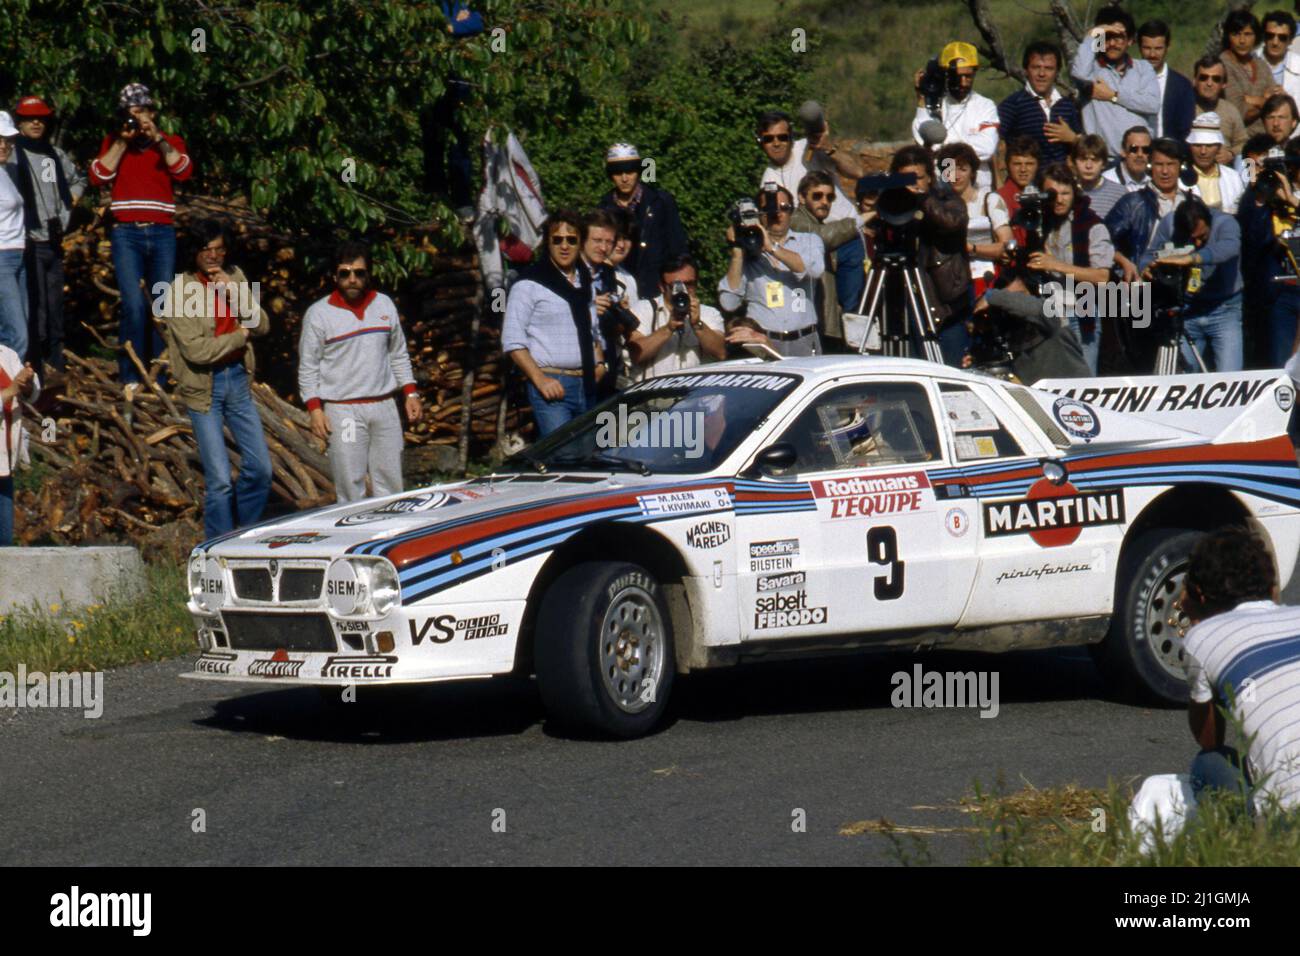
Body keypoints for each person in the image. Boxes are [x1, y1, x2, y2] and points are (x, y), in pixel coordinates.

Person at [159, 219, 272, 539]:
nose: (213, 256)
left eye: (219, 249)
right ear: (193, 252)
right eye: (206, 250)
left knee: (261, 468)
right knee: (220, 479)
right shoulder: (179, 290)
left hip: (237, 379)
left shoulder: (234, 276)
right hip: (203, 387)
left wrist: (234, 293)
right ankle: (219, 545)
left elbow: (262, 325)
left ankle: (247, 535)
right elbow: (197, 351)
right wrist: (239, 337)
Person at [1180, 527, 1300, 815]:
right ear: (1272, 588)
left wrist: (1196, 621)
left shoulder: (1202, 637)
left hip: (1286, 815)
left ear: (1198, 595)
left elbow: (1210, 739)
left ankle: (1236, 838)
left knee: (1208, 762)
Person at [298, 241, 422, 502]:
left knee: (391, 481)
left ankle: (392, 535)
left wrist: (410, 393)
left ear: (368, 274)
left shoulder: (384, 305)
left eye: (359, 273)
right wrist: (315, 408)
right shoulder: (319, 315)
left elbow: (398, 353)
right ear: (335, 276)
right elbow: (308, 366)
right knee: (350, 483)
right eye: (345, 273)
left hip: (384, 408)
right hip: (345, 412)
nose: (352, 279)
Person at [88, 83, 193, 388]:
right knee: (133, 304)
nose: (137, 119)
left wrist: (158, 138)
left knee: (161, 303)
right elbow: (98, 176)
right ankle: (131, 377)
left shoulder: (170, 141)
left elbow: (183, 170)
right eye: (131, 114)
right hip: (126, 234)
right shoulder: (115, 142)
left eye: (142, 112)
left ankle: (160, 375)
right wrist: (122, 141)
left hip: (161, 232)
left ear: (152, 112)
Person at [502, 210, 605, 436]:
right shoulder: (529, 283)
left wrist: (600, 364)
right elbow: (512, 341)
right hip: (553, 386)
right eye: (557, 239)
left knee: (589, 458)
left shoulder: (585, 283)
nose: (564, 246)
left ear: (580, 243)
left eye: (571, 240)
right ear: (548, 243)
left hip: (587, 384)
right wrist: (540, 380)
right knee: (563, 458)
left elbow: (593, 331)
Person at [758, 110, 866, 312]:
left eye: (782, 137)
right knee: (820, 312)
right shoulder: (768, 179)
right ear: (760, 142)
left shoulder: (808, 148)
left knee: (853, 311)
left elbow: (857, 172)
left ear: (791, 137)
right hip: (811, 245)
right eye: (769, 139)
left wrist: (829, 148)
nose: (776, 143)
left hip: (847, 238)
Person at [8, 96, 84, 379]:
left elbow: (78, 180)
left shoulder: (54, 155)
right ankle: (34, 368)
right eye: (30, 118)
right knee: (34, 308)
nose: (36, 123)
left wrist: (67, 209)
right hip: (25, 242)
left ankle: (56, 362)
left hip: (52, 240)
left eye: (41, 118)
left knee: (54, 304)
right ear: (20, 123)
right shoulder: (12, 155)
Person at [874, 145, 971, 365]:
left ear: (929, 178)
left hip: (944, 310)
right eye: (904, 180)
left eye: (917, 178)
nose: (911, 185)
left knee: (951, 380)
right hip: (905, 308)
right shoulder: (894, 206)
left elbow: (952, 222)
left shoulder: (948, 199)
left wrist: (922, 199)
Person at [718, 184, 826, 357]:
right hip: (763, 340)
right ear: (758, 213)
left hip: (804, 340)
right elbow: (728, 303)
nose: (777, 214)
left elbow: (815, 270)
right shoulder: (748, 250)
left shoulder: (809, 240)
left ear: (792, 211)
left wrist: (771, 247)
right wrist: (737, 251)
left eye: (784, 208)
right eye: (768, 209)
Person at [1140, 196, 1244, 372]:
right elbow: (1149, 255)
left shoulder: (1225, 223)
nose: (1196, 243)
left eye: (1202, 237)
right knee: (1181, 379)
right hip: (1186, 311)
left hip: (1224, 308)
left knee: (1230, 376)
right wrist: (1146, 268)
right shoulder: (1169, 224)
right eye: (1190, 238)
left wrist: (1191, 258)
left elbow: (1230, 247)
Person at [1027, 162, 1114, 373]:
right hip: (1050, 309)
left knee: (1083, 378)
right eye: (1052, 193)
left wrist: (1055, 264)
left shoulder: (1091, 224)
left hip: (1081, 309)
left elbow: (1102, 276)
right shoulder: (1040, 222)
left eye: (1066, 193)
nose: (1059, 199)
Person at [598, 143, 689, 302]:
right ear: (610, 175)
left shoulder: (660, 202)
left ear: (639, 171)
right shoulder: (603, 208)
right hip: (620, 291)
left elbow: (677, 248)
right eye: (618, 172)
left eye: (630, 171)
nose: (624, 178)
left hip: (658, 292)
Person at [1238, 137, 1300, 366]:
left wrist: (1291, 200)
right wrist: (1262, 198)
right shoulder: (1260, 196)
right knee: (1282, 364)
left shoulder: (1290, 196)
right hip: (1279, 291)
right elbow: (1253, 239)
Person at [791, 169, 867, 348]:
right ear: (802, 198)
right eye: (817, 196)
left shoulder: (816, 223)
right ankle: (852, 311)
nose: (824, 202)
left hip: (822, 318)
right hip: (806, 321)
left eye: (829, 197)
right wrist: (866, 218)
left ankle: (852, 312)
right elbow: (820, 238)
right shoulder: (796, 221)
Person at [1070, 6, 1160, 157]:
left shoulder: (1143, 68)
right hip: (1103, 160)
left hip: (1139, 156)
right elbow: (1079, 72)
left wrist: (1113, 95)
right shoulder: (1092, 70)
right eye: (1107, 37)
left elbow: (1152, 104)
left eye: (1118, 37)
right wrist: (1096, 33)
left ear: (1130, 40)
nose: (1112, 43)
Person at [911, 41, 1000, 187]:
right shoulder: (935, 104)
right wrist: (922, 100)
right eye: (958, 77)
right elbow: (923, 140)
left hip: (978, 188)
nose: (964, 83)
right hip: (944, 188)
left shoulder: (985, 106)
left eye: (968, 76)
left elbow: (987, 148)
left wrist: (942, 146)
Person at [627, 255, 726, 381]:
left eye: (689, 284)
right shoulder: (644, 309)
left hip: (691, 395)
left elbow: (720, 353)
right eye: (675, 285)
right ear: (662, 287)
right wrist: (668, 328)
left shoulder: (709, 313)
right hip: (652, 394)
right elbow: (636, 355)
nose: (683, 291)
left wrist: (698, 325)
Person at [1106, 137, 1188, 284]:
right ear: (1150, 167)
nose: (1165, 171)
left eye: (1170, 164)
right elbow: (1103, 241)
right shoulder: (1132, 202)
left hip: (1183, 284)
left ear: (1180, 166)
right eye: (1159, 164)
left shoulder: (1192, 202)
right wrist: (1125, 263)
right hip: (1142, 283)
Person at [936, 142, 1010, 298]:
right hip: (952, 281)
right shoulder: (938, 206)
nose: (956, 175)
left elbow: (1006, 246)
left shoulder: (989, 200)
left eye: (962, 169)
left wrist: (971, 248)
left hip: (986, 278)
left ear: (972, 172)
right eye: (950, 169)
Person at [996, 40, 1082, 166]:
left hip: (1062, 182)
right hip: (1026, 183)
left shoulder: (1067, 106)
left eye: (1049, 68)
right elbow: (993, 145)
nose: (1042, 74)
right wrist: (999, 179)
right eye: (1036, 67)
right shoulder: (1013, 104)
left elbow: (1087, 149)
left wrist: (1073, 138)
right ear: (1026, 70)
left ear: (1057, 72)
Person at [0, 339, 38, 546]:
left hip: (4, 463)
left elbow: (31, 394)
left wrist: (27, 383)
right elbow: (10, 391)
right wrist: (12, 389)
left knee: (4, 545)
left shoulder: (7, 354)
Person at [1137, 20, 1196, 141]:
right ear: (1139, 47)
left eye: (1158, 48)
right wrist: (1097, 33)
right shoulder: (1128, 79)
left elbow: (1186, 130)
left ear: (1168, 47)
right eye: (1147, 48)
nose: (1152, 54)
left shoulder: (1182, 86)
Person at [0, 113, 27, 362]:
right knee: (17, 335)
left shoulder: (5, 172)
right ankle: (7, 396)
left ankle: (10, 396)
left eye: (7, 140)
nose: (4, 145)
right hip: (2, 258)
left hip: (17, 255)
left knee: (12, 332)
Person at [1221, 10, 1275, 136]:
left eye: (1248, 34)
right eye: (1236, 34)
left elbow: (1276, 100)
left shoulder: (1261, 65)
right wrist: (1264, 101)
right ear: (1228, 36)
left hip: (1266, 138)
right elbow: (1239, 113)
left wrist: (1251, 99)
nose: (1242, 40)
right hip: (1239, 142)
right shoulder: (1224, 65)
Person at [1188, 56, 1248, 163]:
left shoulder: (1231, 111)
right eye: (1203, 77)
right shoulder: (1184, 109)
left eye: (1216, 79)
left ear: (1224, 84)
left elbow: (1243, 143)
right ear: (1194, 81)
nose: (1209, 83)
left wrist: (1231, 154)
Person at [1187, 113, 1245, 216]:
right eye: (1197, 145)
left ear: (1218, 147)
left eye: (1209, 146)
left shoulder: (1233, 177)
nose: (1203, 151)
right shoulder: (1181, 179)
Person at [1070, 134, 1126, 218]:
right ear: (1074, 162)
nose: (1088, 166)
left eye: (1094, 160)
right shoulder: (1066, 193)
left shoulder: (1120, 194)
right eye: (1083, 159)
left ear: (1103, 163)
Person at [1259, 10, 1300, 103]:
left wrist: (1287, 101)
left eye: (1282, 37)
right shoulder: (1249, 60)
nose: (1275, 42)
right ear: (1264, 36)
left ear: (1291, 40)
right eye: (1270, 35)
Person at [1102, 125, 1153, 192]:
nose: (1140, 154)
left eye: (1146, 150)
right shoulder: (1106, 181)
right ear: (1123, 151)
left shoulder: (1153, 183)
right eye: (1134, 149)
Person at [998, 136, 1040, 216]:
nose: (1023, 169)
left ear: (1037, 165)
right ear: (1008, 166)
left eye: (1029, 164)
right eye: (1017, 164)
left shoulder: (1044, 195)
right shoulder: (999, 198)